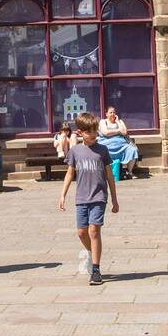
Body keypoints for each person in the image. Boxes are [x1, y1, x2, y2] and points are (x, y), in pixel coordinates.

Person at [58, 112, 119, 286]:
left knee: (94, 231)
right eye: (88, 132)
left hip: (99, 196)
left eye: (95, 131)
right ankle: (91, 252)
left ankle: (96, 270)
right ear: (79, 133)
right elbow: (70, 173)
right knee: (81, 232)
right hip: (81, 197)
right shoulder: (75, 151)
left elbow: (109, 175)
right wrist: (63, 194)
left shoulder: (102, 150)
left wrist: (114, 199)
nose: (93, 135)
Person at [98, 106, 140, 182]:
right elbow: (106, 132)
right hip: (107, 145)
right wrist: (118, 131)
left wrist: (117, 122)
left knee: (133, 150)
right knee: (102, 151)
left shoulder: (120, 121)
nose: (113, 114)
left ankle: (129, 172)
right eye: (110, 112)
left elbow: (124, 132)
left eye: (114, 112)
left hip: (121, 146)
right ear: (106, 114)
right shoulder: (103, 121)